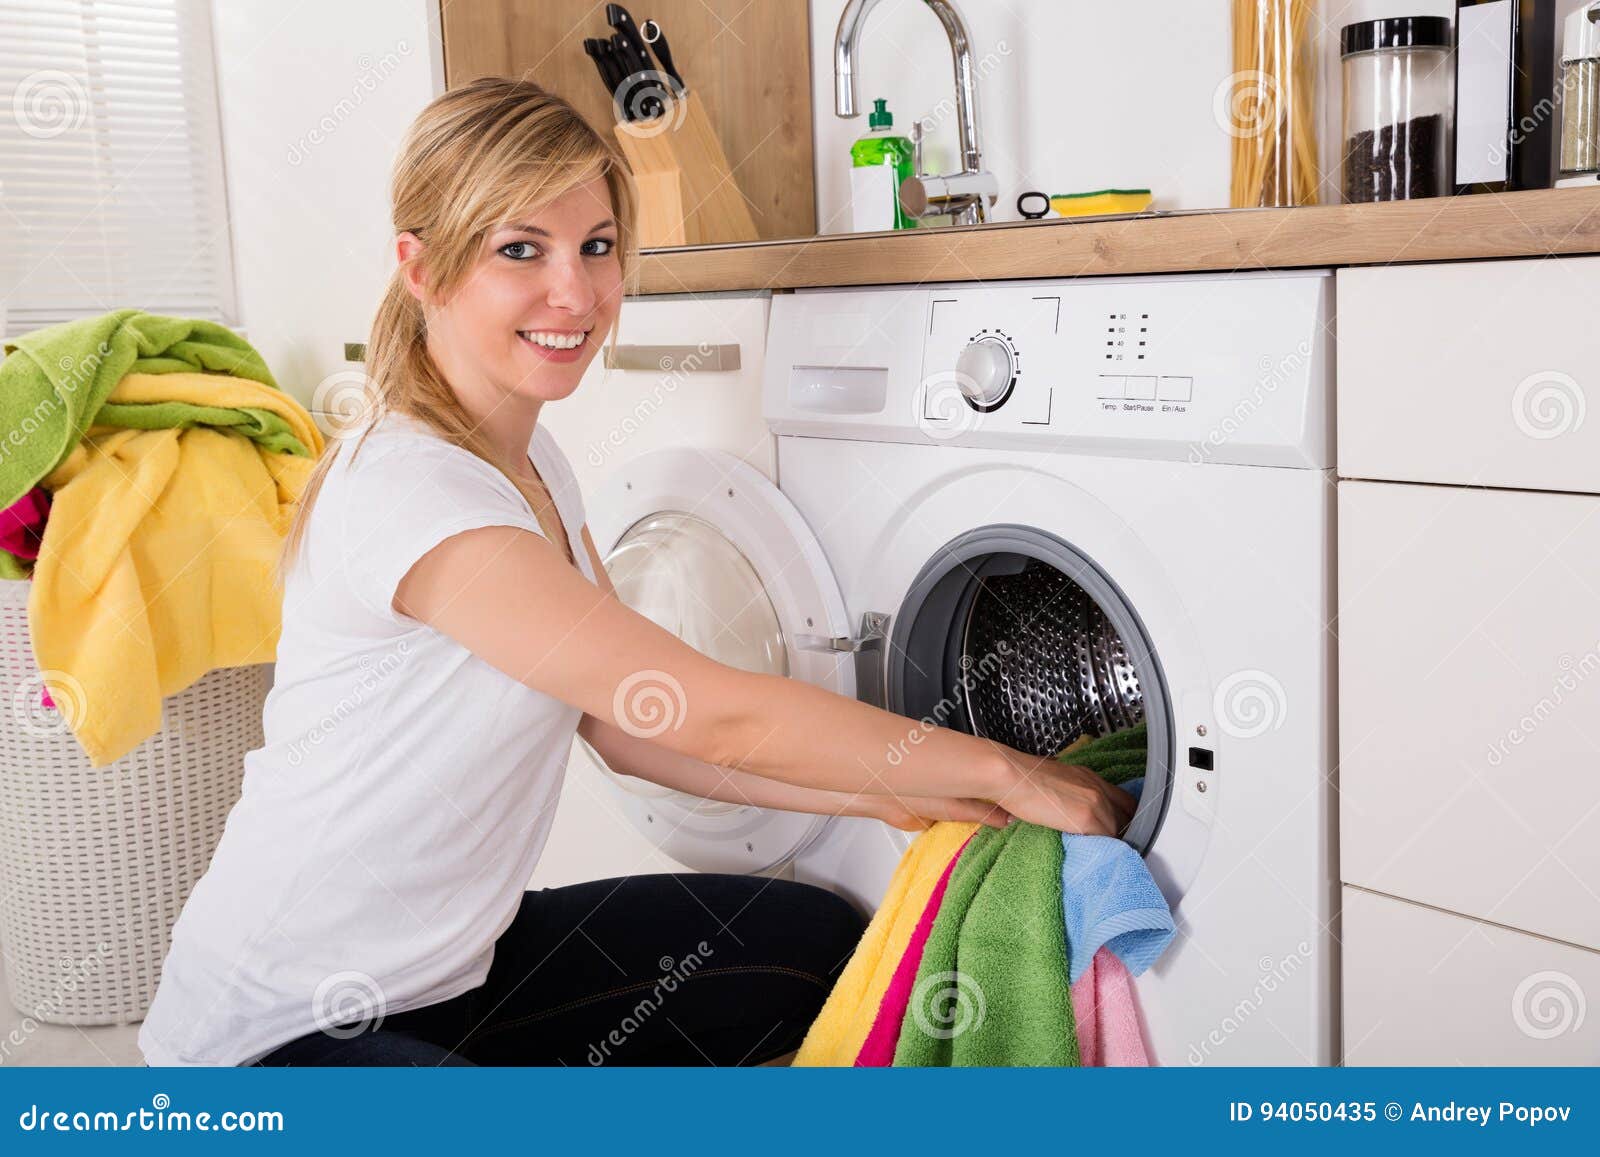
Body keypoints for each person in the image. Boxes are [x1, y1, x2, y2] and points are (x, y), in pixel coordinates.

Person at [137, 78, 1136, 1068]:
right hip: (275, 1035)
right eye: (518, 249)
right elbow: (710, 712)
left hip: (453, 979)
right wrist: (1007, 768)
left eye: (597, 246)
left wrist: (877, 794)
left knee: (809, 950)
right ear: (423, 267)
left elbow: (628, 725)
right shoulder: (414, 491)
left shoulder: (530, 464)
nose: (573, 292)